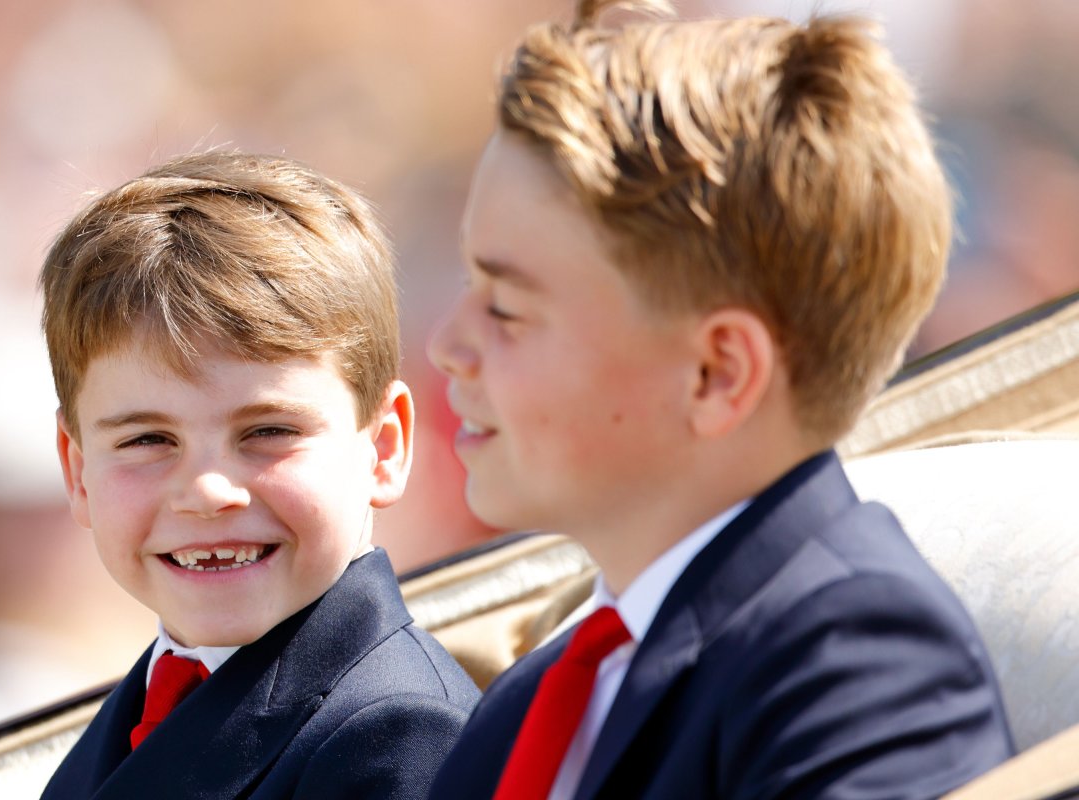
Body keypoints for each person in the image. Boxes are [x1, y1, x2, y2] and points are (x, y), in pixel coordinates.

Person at [426, 3, 1014, 799]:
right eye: (469, 284)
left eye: (506, 306)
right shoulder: (519, 715)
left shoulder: (857, 660)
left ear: (716, 374)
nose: (445, 347)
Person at [37, 151, 479, 799]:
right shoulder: (145, 707)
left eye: (267, 432)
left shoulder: (397, 737)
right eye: (148, 439)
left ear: (383, 447)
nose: (209, 491)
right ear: (78, 473)